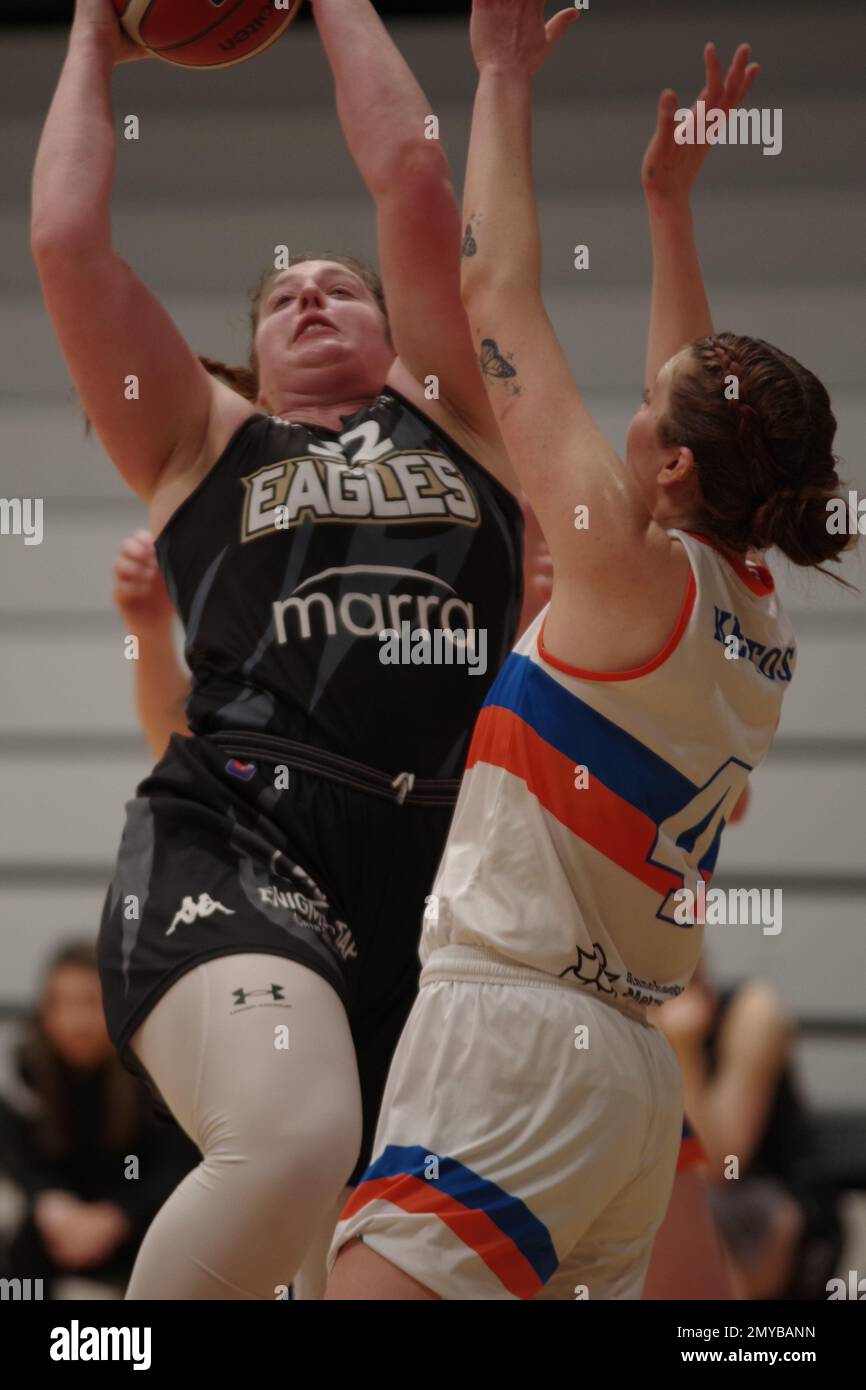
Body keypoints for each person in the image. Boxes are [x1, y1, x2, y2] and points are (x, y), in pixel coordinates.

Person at [326, 5, 852, 1300]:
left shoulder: (621, 570)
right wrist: (667, 209)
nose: (624, 404)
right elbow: (694, 401)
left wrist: (500, 81)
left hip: (511, 1042)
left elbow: (492, 291)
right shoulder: (750, 612)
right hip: (623, 1071)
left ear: (670, 465)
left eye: (642, 404)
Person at [31, 0, 540, 1300]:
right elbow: (67, 242)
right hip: (241, 841)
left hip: (433, 881)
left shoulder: (464, 421)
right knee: (293, 1140)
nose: (312, 294)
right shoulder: (201, 444)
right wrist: (92, 28)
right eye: (282, 296)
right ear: (253, 355)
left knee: (350, 1256)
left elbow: (410, 171)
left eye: (342, 284)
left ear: (391, 327)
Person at [0, 942, 195, 1299]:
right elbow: (18, 1157)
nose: (77, 1020)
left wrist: (118, 1216)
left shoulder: (153, 1074)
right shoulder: (27, 1071)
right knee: (20, 1258)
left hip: (138, 1221)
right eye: (63, 1004)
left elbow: (178, 1167)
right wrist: (49, 1202)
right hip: (59, 1225)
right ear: (46, 1011)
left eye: (90, 1002)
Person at [658, 964, 845, 1300]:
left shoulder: (754, 1012)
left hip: (774, 1211)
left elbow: (718, 1167)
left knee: (687, 1206)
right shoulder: (620, 1018)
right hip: (699, 1205)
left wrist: (682, 1047)